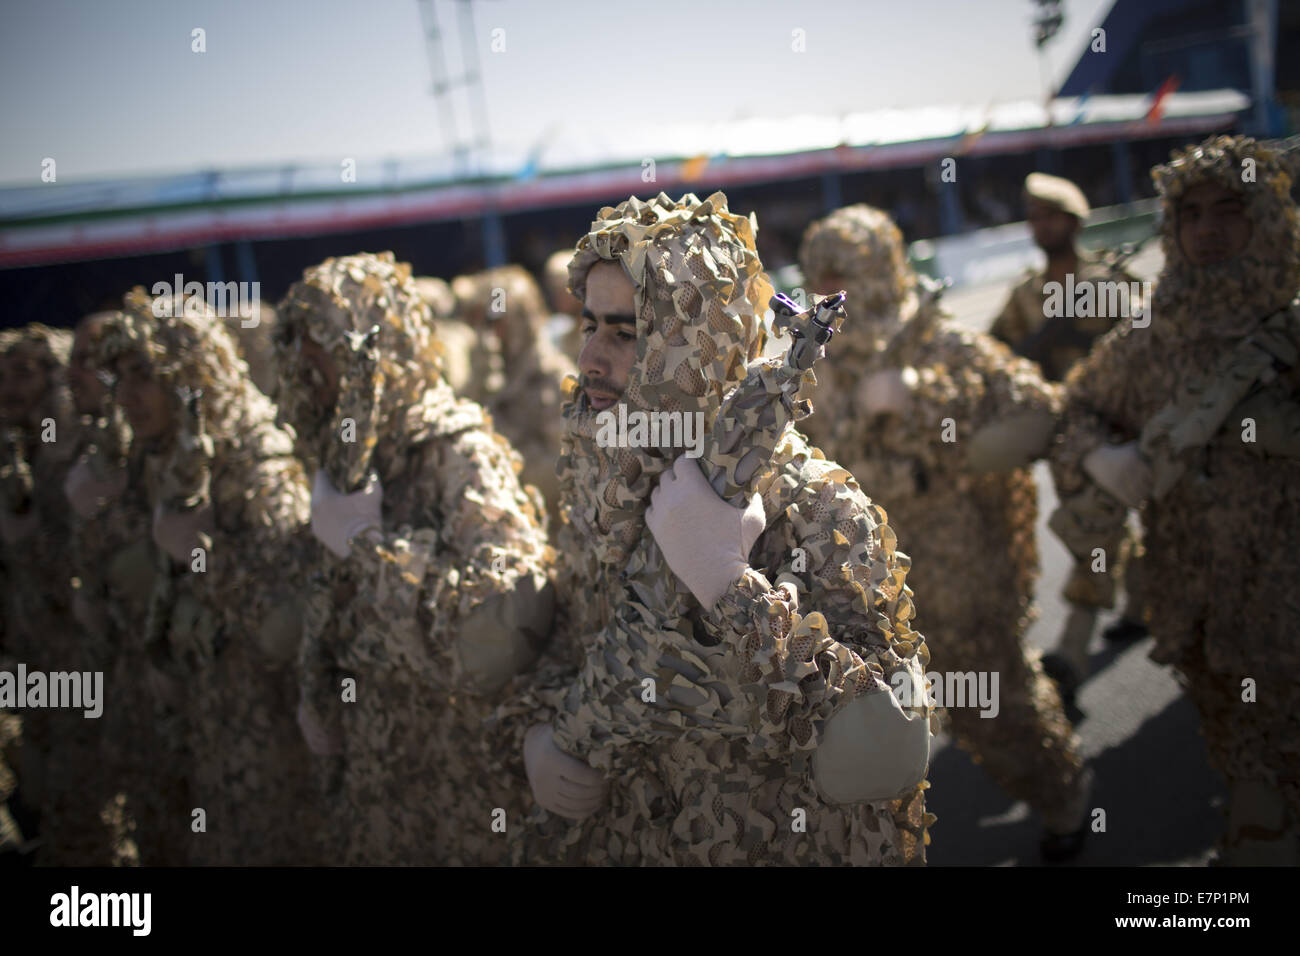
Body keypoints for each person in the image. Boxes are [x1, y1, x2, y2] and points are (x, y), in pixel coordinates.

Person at [493, 192, 934, 866]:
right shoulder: (605, 488)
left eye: (624, 332)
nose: (588, 358)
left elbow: (886, 745)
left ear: (695, 341)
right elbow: (571, 637)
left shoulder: (816, 505)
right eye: (588, 325)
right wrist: (540, 732)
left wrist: (728, 585)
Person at [798, 204, 1092, 861]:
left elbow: (1039, 413)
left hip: (958, 582)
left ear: (880, 272)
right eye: (817, 273)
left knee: (998, 710)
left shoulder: (940, 343)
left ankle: (1066, 802)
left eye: (843, 272)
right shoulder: (810, 366)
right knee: (872, 736)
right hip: (856, 596)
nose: (827, 289)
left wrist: (919, 396)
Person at [1050, 135, 1300, 865]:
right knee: (1245, 772)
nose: (1208, 228)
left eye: (1230, 209)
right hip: (1203, 619)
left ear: (1270, 218)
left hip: (1287, 613)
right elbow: (1077, 408)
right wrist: (1101, 454)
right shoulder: (1154, 336)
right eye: (1191, 214)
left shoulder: (1288, 322)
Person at [275, 251, 554, 865]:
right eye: (296, 345)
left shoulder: (456, 453)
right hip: (379, 783)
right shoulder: (343, 460)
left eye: (320, 342)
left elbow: (503, 630)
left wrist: (369, 550)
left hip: (459, 793)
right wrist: (318, 694)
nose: (306, 365)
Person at [98, 289, 325, 865]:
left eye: (144, 376)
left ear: (191, 377)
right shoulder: (167, 456)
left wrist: (204, 554)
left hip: (269, 742)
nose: (128, 396)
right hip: (208, 729)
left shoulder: (257, 460)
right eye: (120, 378)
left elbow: (290, 613)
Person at [991, 172, 1149, 699]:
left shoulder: (1108, 283)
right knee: (1093, 525)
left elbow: (1145, 351)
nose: (1041, 226)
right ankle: (1106, 629)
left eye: (1051, 216)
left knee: (1134, 520)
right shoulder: (1025, 294)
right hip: (1069, 434)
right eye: (1034, 218)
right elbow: (992, 356)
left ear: (1075, 221)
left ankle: (1086, 642)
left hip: (1127, 423)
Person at [64, 310, 190, 865]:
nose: (124, 392)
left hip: (204, 712)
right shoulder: (121, 458)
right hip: (137, 699)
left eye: (141, 375)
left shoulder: (204, 458)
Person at [451, 265, 576, 520]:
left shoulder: (553, 378)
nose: (486, 333)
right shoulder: (489, 373)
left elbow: (568, 465)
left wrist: (502, 470)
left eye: (494, 322)